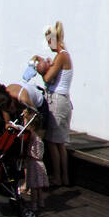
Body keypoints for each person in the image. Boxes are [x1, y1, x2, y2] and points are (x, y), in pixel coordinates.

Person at [36, 21, 74, 186]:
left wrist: (41, 68)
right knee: (59, 143)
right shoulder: (64, 55)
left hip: (57, 100)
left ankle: (58, 177)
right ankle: (63, 177)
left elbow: (47, 78)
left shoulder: (61, 56)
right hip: (63, 100)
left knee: (52, 141)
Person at [19, 112, 49, 213]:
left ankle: (34, 204)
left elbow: (25, 130)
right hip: (40, 163)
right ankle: (41, 202)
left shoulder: (32, 135)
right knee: (39, 186)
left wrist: (23, 121)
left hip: (34, 164)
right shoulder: (39, 136)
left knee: (33, 187)